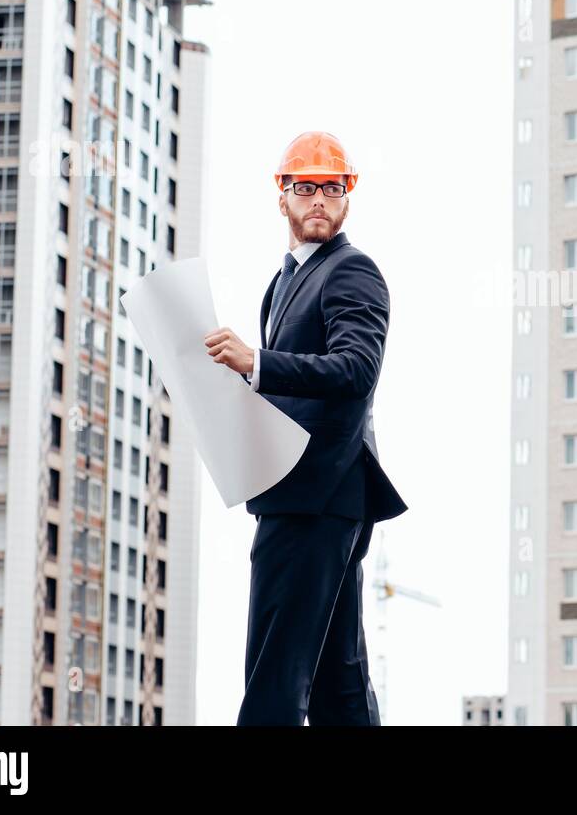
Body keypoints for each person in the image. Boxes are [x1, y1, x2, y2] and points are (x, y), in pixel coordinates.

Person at [203, 130, 407, 725]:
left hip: (316, 493)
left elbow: (355, 370)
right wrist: (217, 382)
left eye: (331, 189)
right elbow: (288, 391)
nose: (318, 199)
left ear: (348, 199)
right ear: (283, 196)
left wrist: (257, 363)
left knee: (274, 675)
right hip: (316, 495)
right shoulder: (282, 283)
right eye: (306, 188)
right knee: (337, 683)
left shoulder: (353, 271)